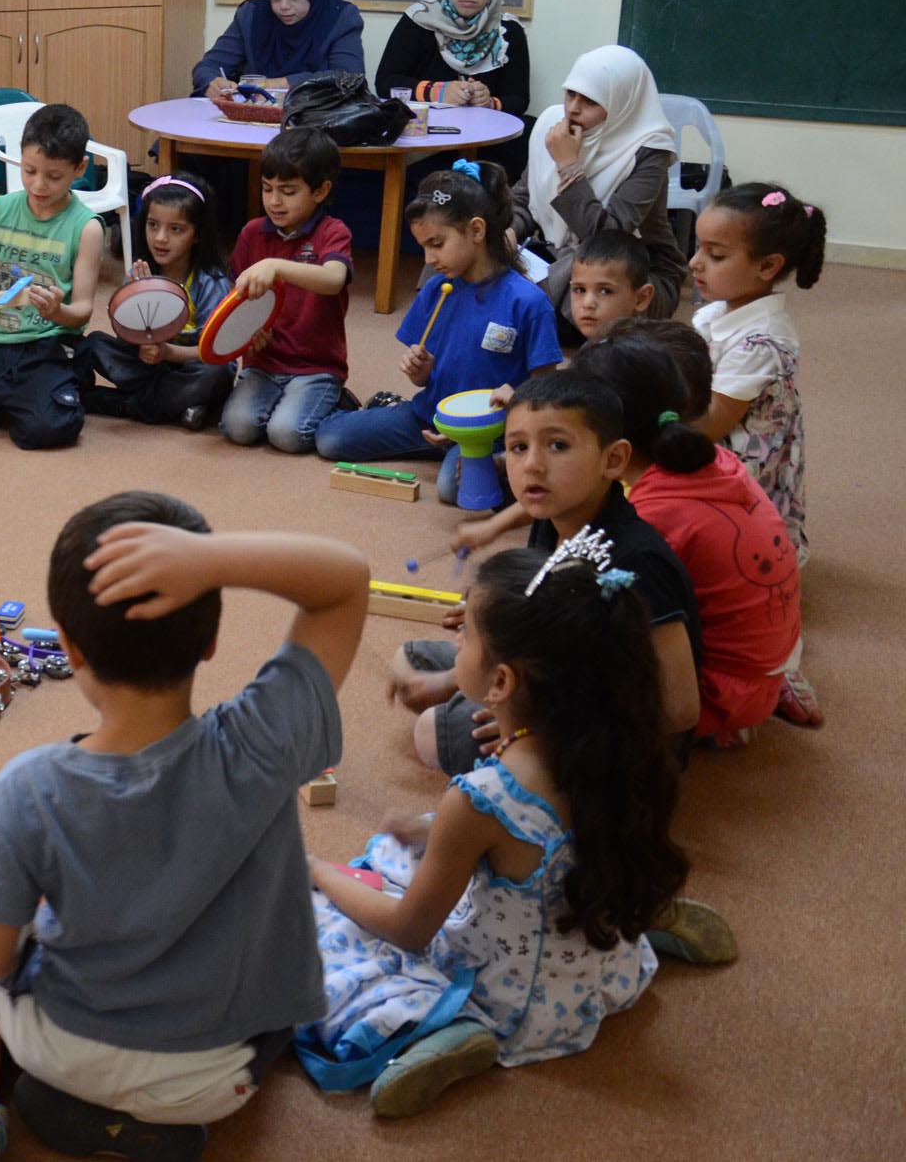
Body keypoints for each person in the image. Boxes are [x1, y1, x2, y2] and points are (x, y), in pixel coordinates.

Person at [0, 493, 369, 1161]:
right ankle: (141, 1123)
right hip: (213, 1080)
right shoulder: (263, 741)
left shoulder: (28, 788)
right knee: (286, 972)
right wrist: (209, 559)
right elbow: (344, 581)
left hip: (57, 1050)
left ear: (72, 650)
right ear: (211, 641)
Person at [304, 543, 700, 1118]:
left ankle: (453, 1030)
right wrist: (429, 829)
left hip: (509, 999)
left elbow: (409, 929)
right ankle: (649, 915)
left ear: (502, 682)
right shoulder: (621, 753)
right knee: (429, 857)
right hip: (604, 972)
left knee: (321, 936)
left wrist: (316, 870)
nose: (455, 644)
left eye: (463, 635)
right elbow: (548, 836)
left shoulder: (484, 799)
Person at [394, 372, 702, 774]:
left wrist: (536, 725)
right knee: (411, 657)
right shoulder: (558, 512)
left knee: (432, 732)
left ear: (613, 460)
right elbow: (549, 620)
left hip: (609, 738)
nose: (533, 466)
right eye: (518, 448)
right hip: (559, 676)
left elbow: (680, 710)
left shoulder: (635, 561)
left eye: (558, 446)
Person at [568, 326, 804, 746]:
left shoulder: (649, 516)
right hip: (767, 664)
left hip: (722, 692)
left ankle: (723, 729)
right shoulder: (713, 459)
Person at [314, 162, 560, 504]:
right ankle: (426, 437)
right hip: (429, 415)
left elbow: (547, 388)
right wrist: (422, 372)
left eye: (437, 243)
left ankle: (491, 459)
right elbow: (428, 377)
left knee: (455, 489)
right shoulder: (435, 289)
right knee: (330, 438)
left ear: (476, 230)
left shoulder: (528, 301)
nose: (429, 257)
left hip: (488, 432)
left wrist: (515, 400)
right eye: (423, 246)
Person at [0, 105, 104, 450]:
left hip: (47, 342)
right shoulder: (1, 208)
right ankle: (16, 392)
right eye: (29, 171)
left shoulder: (86, 227)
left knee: (48, 430)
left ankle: (45, 387)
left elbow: (83, 309)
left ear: (79, 168)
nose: (39, 185)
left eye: (54, 176)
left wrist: (58, 312)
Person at [689, 181, 824, 577]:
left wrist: (651, 411)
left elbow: (712, 423)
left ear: (767, 266)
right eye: (699, 248)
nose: (695, 263)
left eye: (715, 255)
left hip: (737, 462)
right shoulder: (719, 313)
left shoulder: (758, 343)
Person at [512, 45, 687, 322]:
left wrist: (568, 166)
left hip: (631, 270)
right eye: (570, 94)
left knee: (577, 283)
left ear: (620, 103)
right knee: (469, 243)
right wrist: (506, 232)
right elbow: (523, 201)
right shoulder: (552, 124)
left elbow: (608, 236)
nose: (573, 109)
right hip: (559, 257)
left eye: (590, 102)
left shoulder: (649, 148)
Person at [218, 129, 355, 452]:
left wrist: (276, 266)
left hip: (315, 366)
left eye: (288, 191)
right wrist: (247, 332)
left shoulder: (332, 232)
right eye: (267, 189)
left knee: (288, 435)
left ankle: (339, 401)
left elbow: (333, 279)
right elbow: (232, 299)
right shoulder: (253, 233)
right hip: (262, 363)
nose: (274, 201)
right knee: (237, 428)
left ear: (321, 191)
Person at [81, 171, 233, 429]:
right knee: (93, 344)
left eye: (176, 229)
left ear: (196, 234)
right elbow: (126, 339)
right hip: (150, 367)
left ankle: (126, 405)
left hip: (190, 365)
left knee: (216, 373)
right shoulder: (141, 272)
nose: (161, 238)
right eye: (153, 225)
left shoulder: (210, 283)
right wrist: (139, 299)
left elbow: (216, 352)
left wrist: (168, 352)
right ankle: (181, 407)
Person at [374, 0, 531, 176]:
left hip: (485, 142)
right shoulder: (420, 20)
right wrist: (438, 92)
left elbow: (519, 98)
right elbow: (385, 82)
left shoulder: (507, 32)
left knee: (530, 130)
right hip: (425, 140)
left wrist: (490, 103)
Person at [194, 0, 365, 98]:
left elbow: (349, 77)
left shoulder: (341, 17)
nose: (283, 6)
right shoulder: (252, 15)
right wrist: (212, 82)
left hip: (315, 123)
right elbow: (208, 66)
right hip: (251, 119)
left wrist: (276, 84)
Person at [565, 231, 656, 345]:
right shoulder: (595, 347)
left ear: (641, 298)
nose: (587, 303)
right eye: (580, 290)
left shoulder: (638, 359)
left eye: (605, 291)